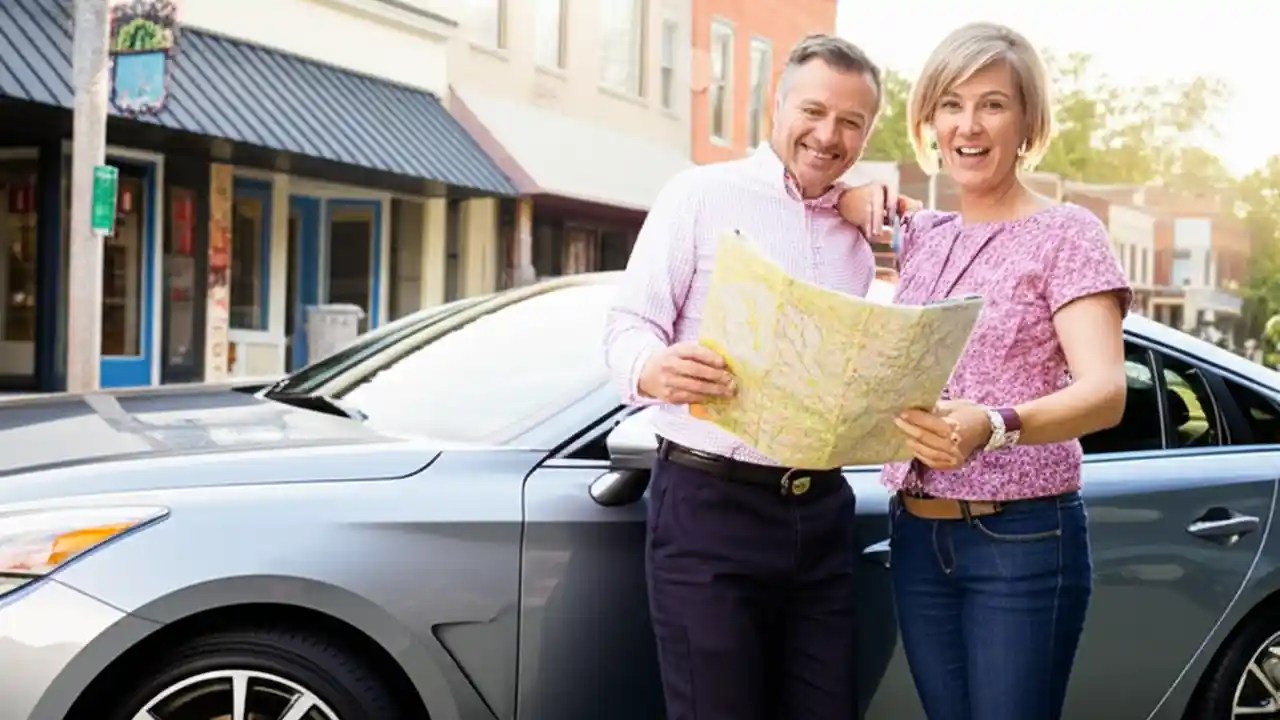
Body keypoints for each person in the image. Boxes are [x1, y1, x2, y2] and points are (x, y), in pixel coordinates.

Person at [836, 21, 1131, 720]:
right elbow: (824, 195)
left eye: (993, 104)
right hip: (915, 535)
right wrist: (852, 197)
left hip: (1022, 540)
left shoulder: (1067, 233)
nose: (969, 125)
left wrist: (995, 425)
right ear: (929, 120)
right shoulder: (928, 237)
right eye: (950, 104)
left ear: (1027, 120)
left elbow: (1106, 393)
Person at [603, 33, 895, 720]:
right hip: (710, 510)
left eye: (852, 123)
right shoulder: (700, 195)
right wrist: (654, 369)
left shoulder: (861, 229)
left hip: (822, 513)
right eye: (815, 111)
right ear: (777, 104)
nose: (829, 135)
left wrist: (870, 207)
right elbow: (625, 328)